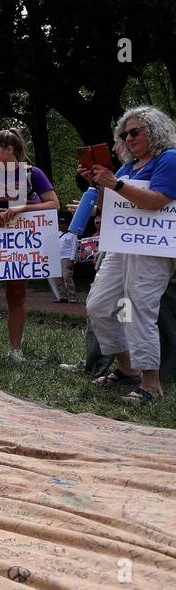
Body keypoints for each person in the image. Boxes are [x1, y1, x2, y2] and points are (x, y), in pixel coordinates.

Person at [82, 105, 176, 404]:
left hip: (153, 248)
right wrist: (97, 184)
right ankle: (127, 368)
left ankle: (152, 384)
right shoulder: (128, 167)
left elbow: (156, 201)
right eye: (125, 134)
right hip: (122, 244)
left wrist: (115, 184)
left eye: (136, 132)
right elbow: (110, 204)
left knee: (138, 309)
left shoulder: (168, 159)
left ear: (155, 131)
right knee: (99, 305)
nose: (129, 137)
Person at [0, 128, 59, 362]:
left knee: (17, 297)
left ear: (9, 150)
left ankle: (15, 350)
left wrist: (23, 208)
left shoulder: (34, 174)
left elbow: (53, 204)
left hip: (21, 248)